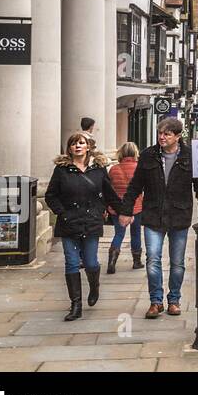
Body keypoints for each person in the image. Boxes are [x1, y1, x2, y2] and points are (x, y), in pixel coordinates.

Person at [117, 117, 198, 319]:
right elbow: (136, 186)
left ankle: (174, 300)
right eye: (160, 133)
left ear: (178, 136)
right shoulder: (148, 155)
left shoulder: (191, 156)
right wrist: (126, 210)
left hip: (179, 215)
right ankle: (156, 301)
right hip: (153, 214)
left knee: (177, 262)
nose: (162, 137)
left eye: (167, 134)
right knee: (153, 259)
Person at [45, 133, 129, 321]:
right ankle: (76, 305)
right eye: (73, 143)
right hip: (69, 223)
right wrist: (61, 212)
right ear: (69, 148)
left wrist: (123, 212)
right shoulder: (62, 170)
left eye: (81, 143)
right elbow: (51, 195)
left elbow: (109, 194)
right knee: (72, 262)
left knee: (90, 262)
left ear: (88, 147)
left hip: (91, 221)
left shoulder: (98, 170)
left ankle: (94, 285)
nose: (77, 146)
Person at [106, 140, 143, 274]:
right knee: (136, 233)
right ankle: (137, 261)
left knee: (119, 233)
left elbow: (109, 189)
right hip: (136, 206)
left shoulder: (113, 169)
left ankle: (112, 262)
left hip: (118, 207)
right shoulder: (139, 168)